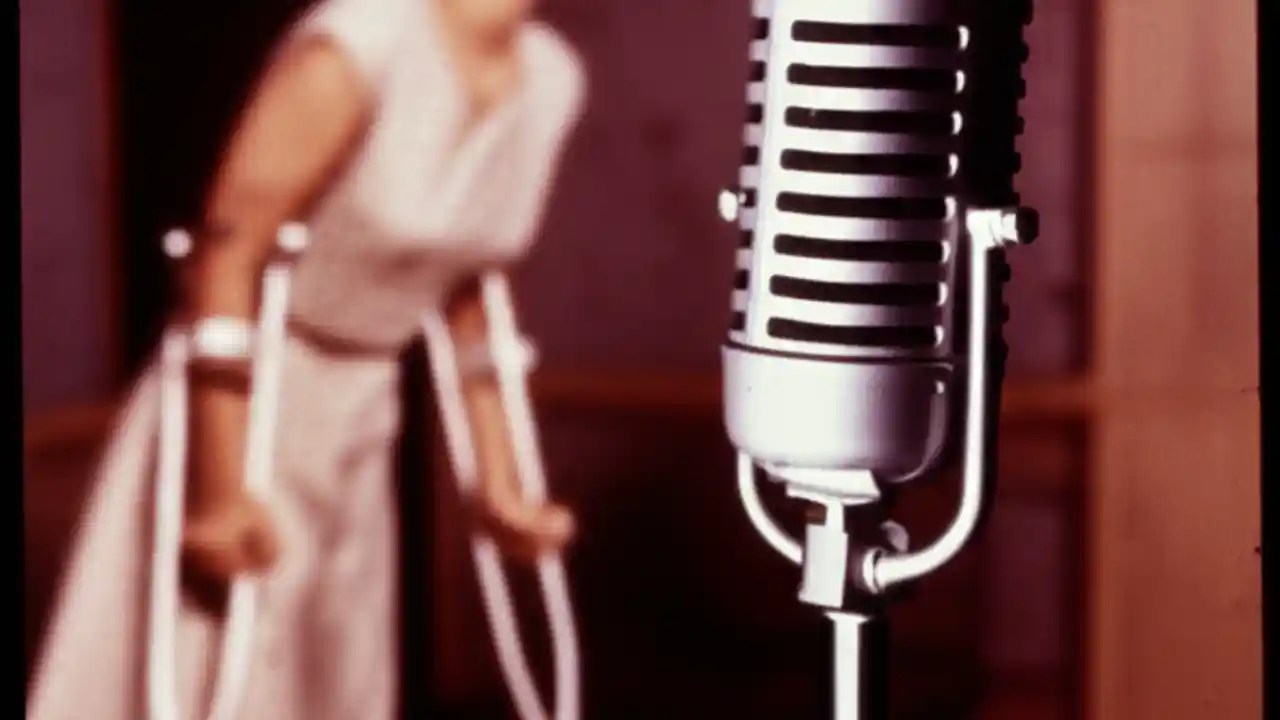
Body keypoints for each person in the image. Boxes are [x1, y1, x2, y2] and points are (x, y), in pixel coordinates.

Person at [27, 0, 585, 717]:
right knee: (220, 669)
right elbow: (229, 248)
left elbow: (470, 282)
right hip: (247, 402)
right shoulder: (360, 44)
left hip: (362, 410)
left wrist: (500, 481)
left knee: (334, 678)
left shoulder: (549, 77)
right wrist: (216, 490)